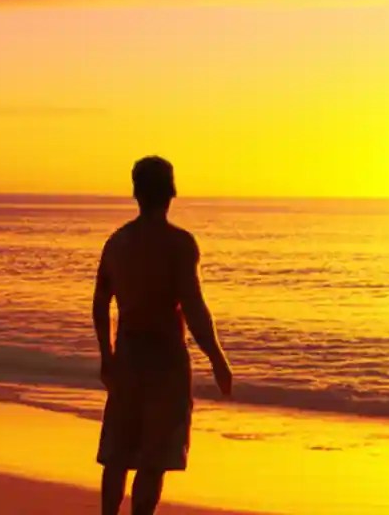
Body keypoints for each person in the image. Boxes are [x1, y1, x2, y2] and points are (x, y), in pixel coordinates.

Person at [93, 156, 233, 515]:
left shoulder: (117, 242)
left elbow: (100, 304)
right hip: (165, 362)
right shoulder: (179, 244)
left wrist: (107, 357)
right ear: (171, 192)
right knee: (153, 459)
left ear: (136, 192)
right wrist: (217, 358)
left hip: (126, 357)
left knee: (118, 455)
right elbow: (194, 307)